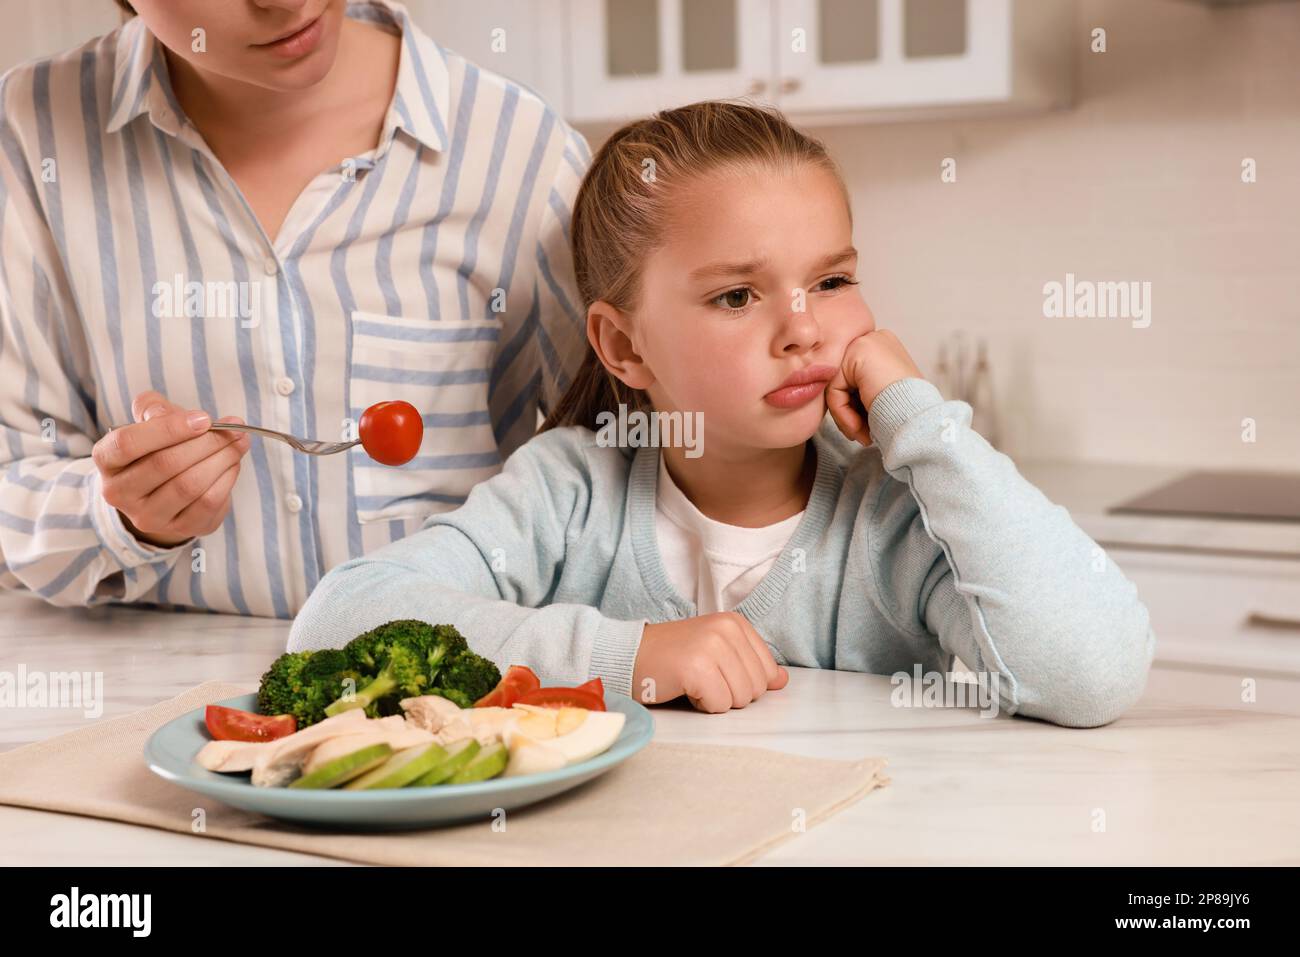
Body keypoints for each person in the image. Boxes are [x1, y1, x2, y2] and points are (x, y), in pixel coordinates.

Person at [287, 101, 1156, 726]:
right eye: (738, 295)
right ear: (624, 348)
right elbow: (335, 622)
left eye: (833, 280)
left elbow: (1092, 673)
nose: (804, 328)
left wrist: (920, 420)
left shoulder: (896, 516)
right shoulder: (568, 493)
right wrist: (628, 658)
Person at [0, 0, 588, 615]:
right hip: (166, 700)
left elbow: (630, 475)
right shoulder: (31, 134)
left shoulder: (523, 153)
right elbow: (17, 480)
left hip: (458, 698)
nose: (286, 3)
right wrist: (122, 514)